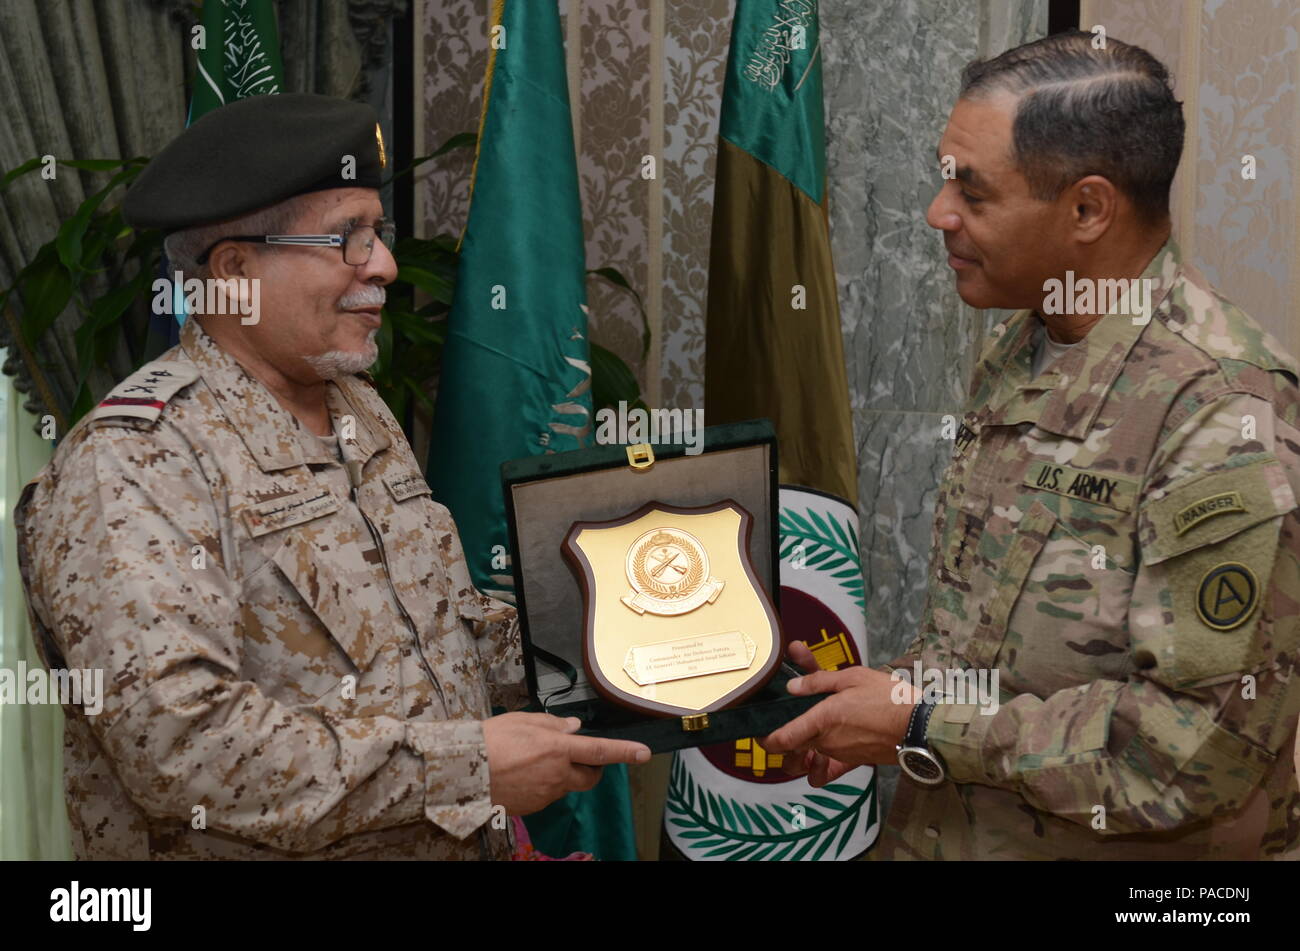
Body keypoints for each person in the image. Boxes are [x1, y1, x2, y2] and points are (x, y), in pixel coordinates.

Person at [13, 93, 649, 861]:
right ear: (236, 270)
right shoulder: (134, 459)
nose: (381, 264)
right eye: (345, 237)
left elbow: (445, 638)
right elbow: (183, 749)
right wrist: (467, 765)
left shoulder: (359, 409)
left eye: (376, 233)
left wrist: (630, 639)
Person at [764, 31, 1300, 859]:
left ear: (1088, 209)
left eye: (972, 195)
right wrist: (883, 698)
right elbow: (985, 636)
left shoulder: (1223, 410)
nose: (938, 215)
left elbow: (1195, 753)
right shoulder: (1029, 346)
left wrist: (919, 722)